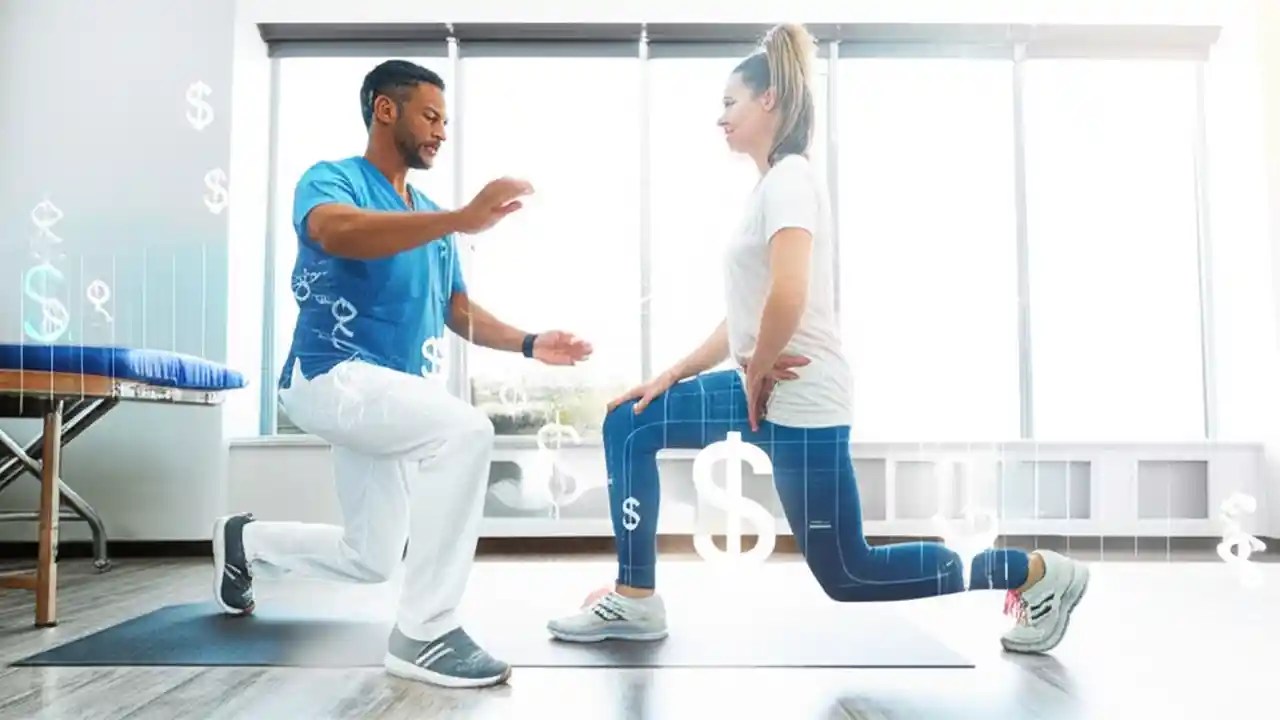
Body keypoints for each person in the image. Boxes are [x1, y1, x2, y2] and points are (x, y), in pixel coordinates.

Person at [546, 24, 1090, 655]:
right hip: (769, 387)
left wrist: (758, 372)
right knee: (631, 422)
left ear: (768, 100)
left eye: (730, 103)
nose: (719, 117)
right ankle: (635, 598)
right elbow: (745, 318)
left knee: (849, 571)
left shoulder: (791, 181)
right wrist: (672, 373)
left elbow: (790, 292)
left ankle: (1036, 574)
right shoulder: (768, 187)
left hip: (799, 396)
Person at [211, 59, 592, 688]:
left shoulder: (438, 222)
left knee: (372, 558)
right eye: (431, 116)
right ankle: (426, 631)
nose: (442, 131)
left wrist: (529, 343)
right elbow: (337, 232)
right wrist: (457, 221)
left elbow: (457, 310)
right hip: (329, 374)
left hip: (386, 395)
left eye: (446, 120)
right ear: (386, 110)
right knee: (465, 431)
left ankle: (246, 544)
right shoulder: (335, 180)